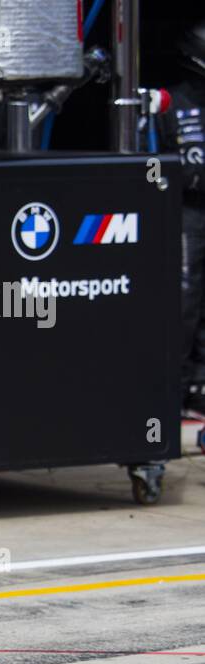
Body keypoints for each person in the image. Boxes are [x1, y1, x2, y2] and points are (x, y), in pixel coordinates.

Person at [168, 18, 205, 414]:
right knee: (184, 297)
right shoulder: (171, 103)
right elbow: (146, 165)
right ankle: (171, 387)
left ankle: (200, 386)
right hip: (184, 212)